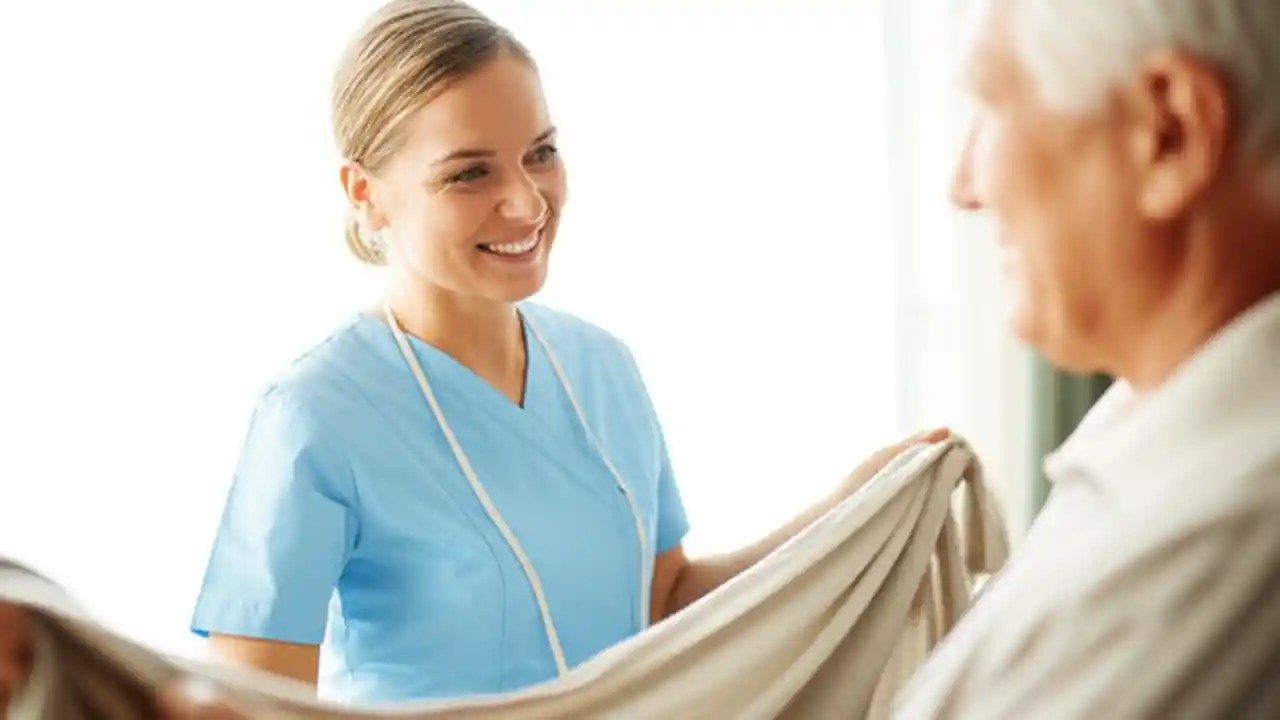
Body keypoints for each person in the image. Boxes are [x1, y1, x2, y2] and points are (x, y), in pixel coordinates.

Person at [182, 0, 947, 706]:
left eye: (540, 153)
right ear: (365, 193)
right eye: (469, 172)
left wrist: (847, 509)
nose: (526, 201)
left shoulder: (601, 369)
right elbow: (248, 709)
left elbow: (661, 605)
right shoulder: (317, 416)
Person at [893, 0, 1280, 717]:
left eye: (994, 105)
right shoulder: (1155, 430)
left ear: (1169, 133)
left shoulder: (1215, 551)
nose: (964, 186)